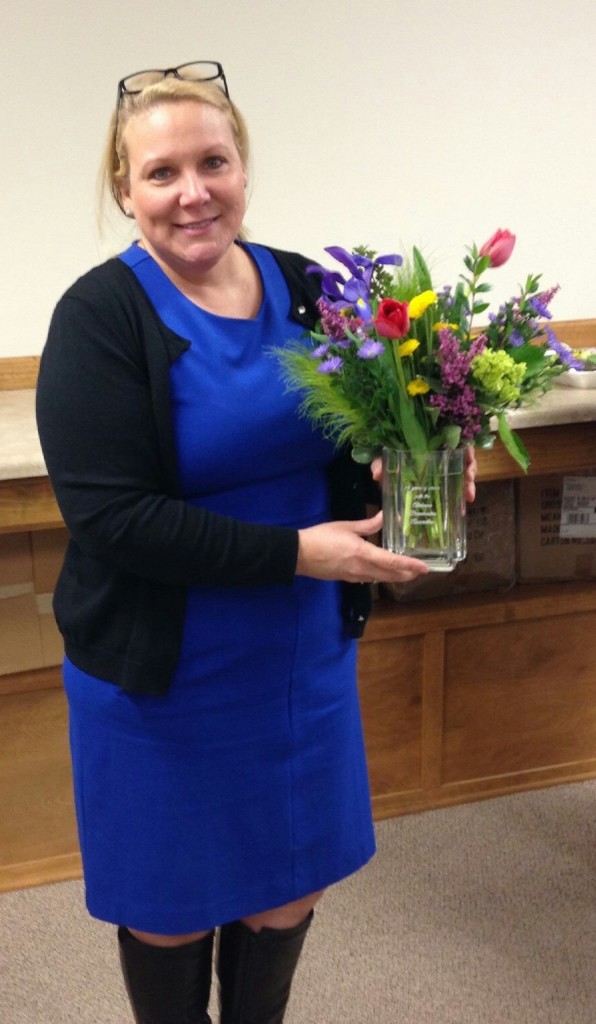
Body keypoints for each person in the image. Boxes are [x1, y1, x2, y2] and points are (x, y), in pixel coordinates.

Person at [36, 62, 477, 1024]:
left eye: (214, 162)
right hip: (163, 673)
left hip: (295, 658)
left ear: (243, 168)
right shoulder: (99, 319)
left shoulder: (312, 290)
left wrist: (432, 456)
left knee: (287, 888)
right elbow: (114, 520)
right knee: (172, 909)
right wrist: (297, 553)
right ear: (124, 189)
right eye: (161, 173)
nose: (193, 191)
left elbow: (372, 427)